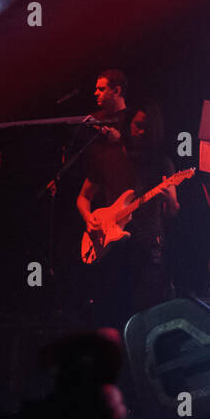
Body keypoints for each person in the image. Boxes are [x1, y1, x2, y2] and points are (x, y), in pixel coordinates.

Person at [75, 83, 177, 332]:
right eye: (137, 125)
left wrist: (169, 200)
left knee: (142, 324)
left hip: (147, 251)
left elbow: (174, 211)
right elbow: (83, 197)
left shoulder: (162, 164)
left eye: (147, 128)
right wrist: (89, 219)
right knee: (108, 319)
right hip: (112, 250)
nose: (141, 131)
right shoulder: (108, 157)